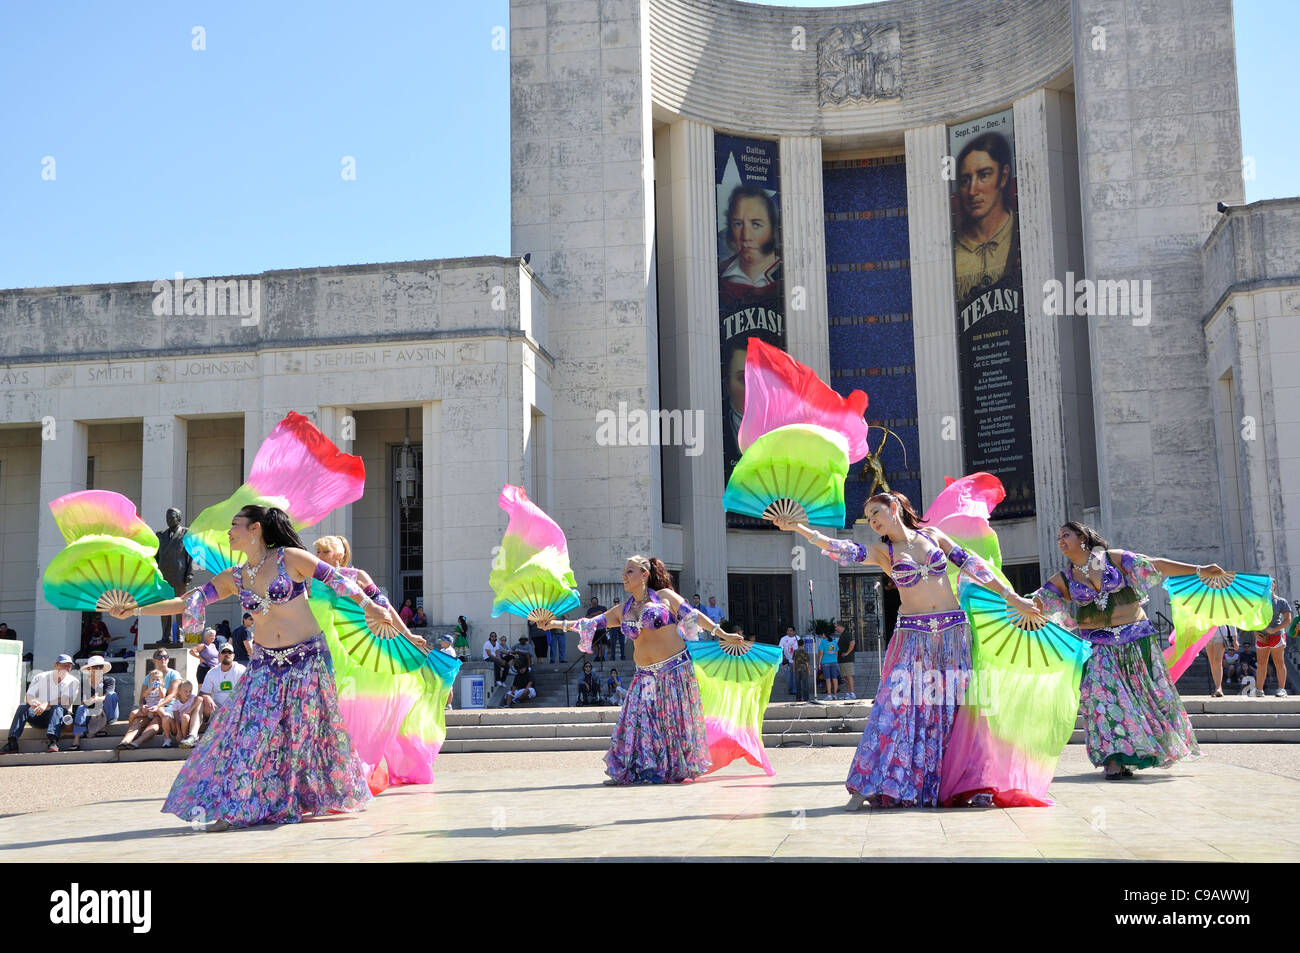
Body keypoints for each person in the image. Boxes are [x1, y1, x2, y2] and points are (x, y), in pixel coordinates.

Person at [108, 504, 388, 830]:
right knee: (247, 737)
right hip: (264, 666)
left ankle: (296, 799)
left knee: (303, 739)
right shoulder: (235, 577)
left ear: (255, 529)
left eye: (235, 525)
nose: (229, 532)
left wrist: (370, 605)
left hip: (306, 662)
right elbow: (189, 601)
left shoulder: (291, 558)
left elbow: (337, 579)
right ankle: (234, 809)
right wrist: (135, 610)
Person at [778, 491, 1040, 809]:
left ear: (895, 508)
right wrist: (801, 529)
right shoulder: (881, 551)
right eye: (869, 517)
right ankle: (868, 785)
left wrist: (1013, 597)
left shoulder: (933, 536)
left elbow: (973, 565)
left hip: (954, 633)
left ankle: (960, 785)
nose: (872, 521)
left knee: (952, 708)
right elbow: (842, 550)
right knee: (894, 707)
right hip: (913, 637)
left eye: (876, 513)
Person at [1031, 521, 1209, 780]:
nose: (1060, 540)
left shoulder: (1113, 559)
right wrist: (1007, 603)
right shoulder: (1064, 578)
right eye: (1058, 536)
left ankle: (1140, 751)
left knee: (1144, 699)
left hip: (1136, 642)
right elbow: (1036, 602)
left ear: (1082, 537)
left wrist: (1199, 570)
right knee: (1103, 701)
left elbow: (1156, 565)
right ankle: (1113, 760)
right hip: (1098, 648)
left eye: (1065, 535)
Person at [544, 555, 735, 785]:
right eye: (625, 572)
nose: (624, 576)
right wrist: (554, 623)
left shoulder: (664, 597)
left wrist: (722, 634)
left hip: (674, 671)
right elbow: (588, 623)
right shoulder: (622, 610)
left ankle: (670, 769)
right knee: (636, 722)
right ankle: (632, 770)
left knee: (670, 724)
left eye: (630, 571)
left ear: (645, 574)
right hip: (645, 676)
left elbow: (693, 615)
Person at [953, 131, 1020, 307]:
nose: (973, 191)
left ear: (1003, 176)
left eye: (984, 175)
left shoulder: (1020, 233)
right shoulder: (953, 248)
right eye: (966, 180)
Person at [4, 653, 81, 754]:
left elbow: (66, 700)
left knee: (57, 707)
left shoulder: (73, 681)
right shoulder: (40, 677)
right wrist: (32, 702)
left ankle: (53, 742)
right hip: (39, 714)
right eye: (63, 665)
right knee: (23, 706)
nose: (66, 668)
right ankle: (12, 742)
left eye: (69, 666)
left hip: (60, 718)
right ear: (56, 665)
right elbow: (28, 696)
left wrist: (46, 704)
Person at [194, 643, 246, 742]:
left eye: (229, 652)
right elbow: (202, 693)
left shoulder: (241, 670)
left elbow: (248, 691)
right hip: (216, 709)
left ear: (233, 656)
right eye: (224, 652)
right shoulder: (212, 672)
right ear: (219, 656)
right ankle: (193, 735)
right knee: (200, 700)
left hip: (236, 709)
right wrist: (207, 697)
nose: (227, 654)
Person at [1247, 581, 1291, 697]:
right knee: (1261, 663)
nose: (1269, 586)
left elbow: (1288, 620)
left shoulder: (1281, 601)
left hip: (1277, 635)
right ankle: (1259, 690)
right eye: (1266, 585)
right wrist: (1255, 632)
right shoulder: (1258, 602)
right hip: (1262, 635)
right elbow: (1252, 619)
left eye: (1271, 584)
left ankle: (1282, 689)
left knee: (1279, 662)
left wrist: (1275, 629)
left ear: (1274, 586)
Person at [68, 655, 119, 750]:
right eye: (95, 667)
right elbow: (81, 702)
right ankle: (76, 739)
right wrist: (86, 701)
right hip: (91, 714)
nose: (98, 669)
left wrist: (96, 699)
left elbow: (108, 696)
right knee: (80, 708)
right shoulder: (84, 684)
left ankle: (103, 726)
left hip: (107, 712)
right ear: (89, 668)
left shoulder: (109, 680)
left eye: (100, 666)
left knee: (112, 695)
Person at [117, 668, 171, 750]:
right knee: (134, 714)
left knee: (158, 719)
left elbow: (162, 696)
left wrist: (159, 687)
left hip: (157, 711)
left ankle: (137, 742)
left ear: (162, 681)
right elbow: (144, 696)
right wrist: (143, 706)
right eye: (153, 679)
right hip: (147, 710)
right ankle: (126, 740)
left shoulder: (163, 689)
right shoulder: (148, 689)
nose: (155, 681)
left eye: (158, 679)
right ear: (150, 681)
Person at [1206, 624, 1240, 697]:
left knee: (1217, 661)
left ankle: (1218, 688)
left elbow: (1230, 621)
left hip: (1220, 633)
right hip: (1206, 633)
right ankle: (1217, 686)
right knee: (1212, 662)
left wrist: (1235, 639)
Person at [169, 681, 201, 749]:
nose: (188, 693)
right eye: (186, 691)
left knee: (185, 716)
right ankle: (183, 738)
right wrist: (178, 732)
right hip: (180, 724)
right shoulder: (176, 703)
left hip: (189, 722)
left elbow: (200, 699)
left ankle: (186, 739)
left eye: (190, 691)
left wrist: (190, 710)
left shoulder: (192, 698)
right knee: (182, 717)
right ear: (179, 691)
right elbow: (176, 718)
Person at [587, 596, 615, 661]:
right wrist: (597, 614)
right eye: (593, 602)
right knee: (595, 644)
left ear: (597, 601)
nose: (594, 603)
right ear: (591, 602)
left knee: (602, 644)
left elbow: (603, 614)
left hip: (602, 629)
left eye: (595, 601)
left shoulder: (602, 608)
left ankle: (602, 657)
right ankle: (597, 657)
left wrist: (593, 615)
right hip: (593, 629)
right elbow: (587, 617)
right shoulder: (590, 610)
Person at [836, 621, 857, 700]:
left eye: (836, 626)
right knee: (846, 677)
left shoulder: (847, 634)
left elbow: (852, 643)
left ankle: (852, 693)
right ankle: (848, 693)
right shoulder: (842, 635)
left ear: (840, 626)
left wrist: (847, 653)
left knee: (848, 676)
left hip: (847, 660)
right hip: (842, 660)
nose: (835, 628)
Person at [818, 630, 841, 699]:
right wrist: (835, 660)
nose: (822, 636)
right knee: (835, 678)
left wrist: (819, 663)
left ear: (824, 635)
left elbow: (821, 654)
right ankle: (835, 695)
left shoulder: (823, 642)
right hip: (834, 662)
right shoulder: (834, 641)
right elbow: (836, 652)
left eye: (822, 635)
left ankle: (829, 695)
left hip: (825, 662)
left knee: (827, 679)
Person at [778, 626, 799, 695]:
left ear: (794, 631)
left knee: (795, 676)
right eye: (788, 630)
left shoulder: (797, 638)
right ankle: (790, 689)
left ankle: (795, 690)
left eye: (790, 630)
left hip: (796, 660)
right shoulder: (783, 639)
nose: (789, 632)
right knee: (789, 676)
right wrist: (783, 656)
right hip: (787, 660)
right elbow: (780, 648)